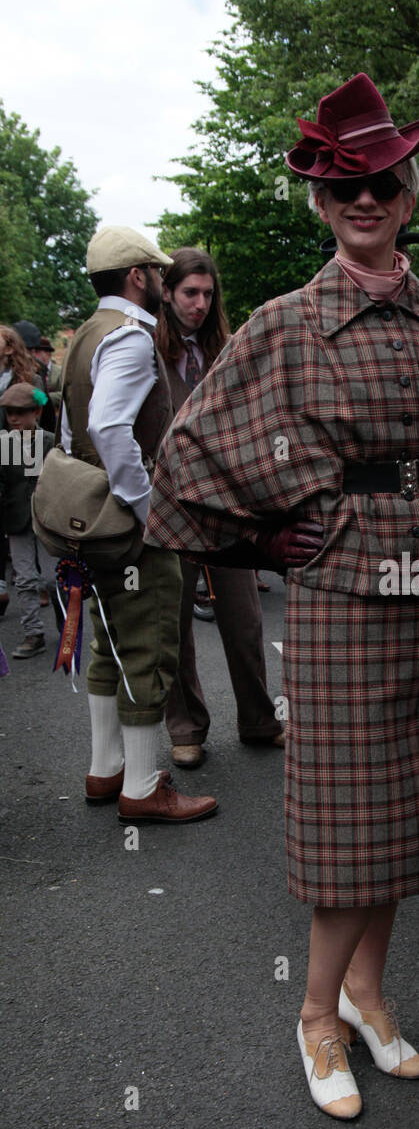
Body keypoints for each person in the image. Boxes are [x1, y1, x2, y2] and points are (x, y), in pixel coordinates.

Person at [145, 74, 419, 1119]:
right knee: (345, 817)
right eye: (344, 190)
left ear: (407, 193)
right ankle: (315, 1014)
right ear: (323, 205)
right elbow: (186, 455)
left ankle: (372, 994)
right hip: (339, 595)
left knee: (408, 814)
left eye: (380, 182)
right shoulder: (287, 324)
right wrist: (258, 536)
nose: (364, 200)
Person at [59, 225, 217, 823]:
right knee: (148, 644)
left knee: (108, 644)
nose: (162, 279)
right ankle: (144, 787)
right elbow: (108, 428)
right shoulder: (130, 334)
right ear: (138, 277)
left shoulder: (86, 334)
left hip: (88, 515)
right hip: (125, 522)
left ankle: (106, 772)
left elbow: (78, 432)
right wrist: (148, 510)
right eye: (156, 271)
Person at [155, 247, 284, 769]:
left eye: (208, 294)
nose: (201, 303)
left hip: (228, 501)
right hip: (168, 501)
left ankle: (258, 719)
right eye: (190, 292)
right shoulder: (147, 350)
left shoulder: (226, 349)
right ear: (167, 292)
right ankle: (186, 728)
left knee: (244, 615)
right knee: (174, 621)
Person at [0, 383, 56, 658]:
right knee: (24, 578)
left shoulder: (50, 441)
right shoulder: (3, 443)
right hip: (16, 520)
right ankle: (33, 632)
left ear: (37, 411)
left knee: (51, 577)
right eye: (10, 413)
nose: (14, 419)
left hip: (47, 519)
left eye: (21, 413)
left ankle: (66, 620)